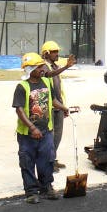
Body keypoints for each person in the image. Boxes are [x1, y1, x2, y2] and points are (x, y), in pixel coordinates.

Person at [13, 52, 69, 204]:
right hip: (27, 135)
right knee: (27, 162)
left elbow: (53, 100)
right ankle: (31, 192)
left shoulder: (45, 81)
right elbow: (19, 110)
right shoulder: (22, 87)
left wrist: (64, 108)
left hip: (46, 132)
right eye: (39, 67)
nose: (43, 68)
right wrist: (32, 128)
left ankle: (46, 187)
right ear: (30, 69)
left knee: (47, 160)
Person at [41, 40, 77, 172]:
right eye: (54, 52)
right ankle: (48, 162)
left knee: (58, 135)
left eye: (57, 51)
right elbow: (49, 75)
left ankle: (53, 159)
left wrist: (64, 106)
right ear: (46, 53)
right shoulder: (43, 66)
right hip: (49, 106)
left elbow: (59, 88)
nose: (57, 54)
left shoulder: (55, 66)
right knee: (50, 136)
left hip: (58, 105)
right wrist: (66, 67)